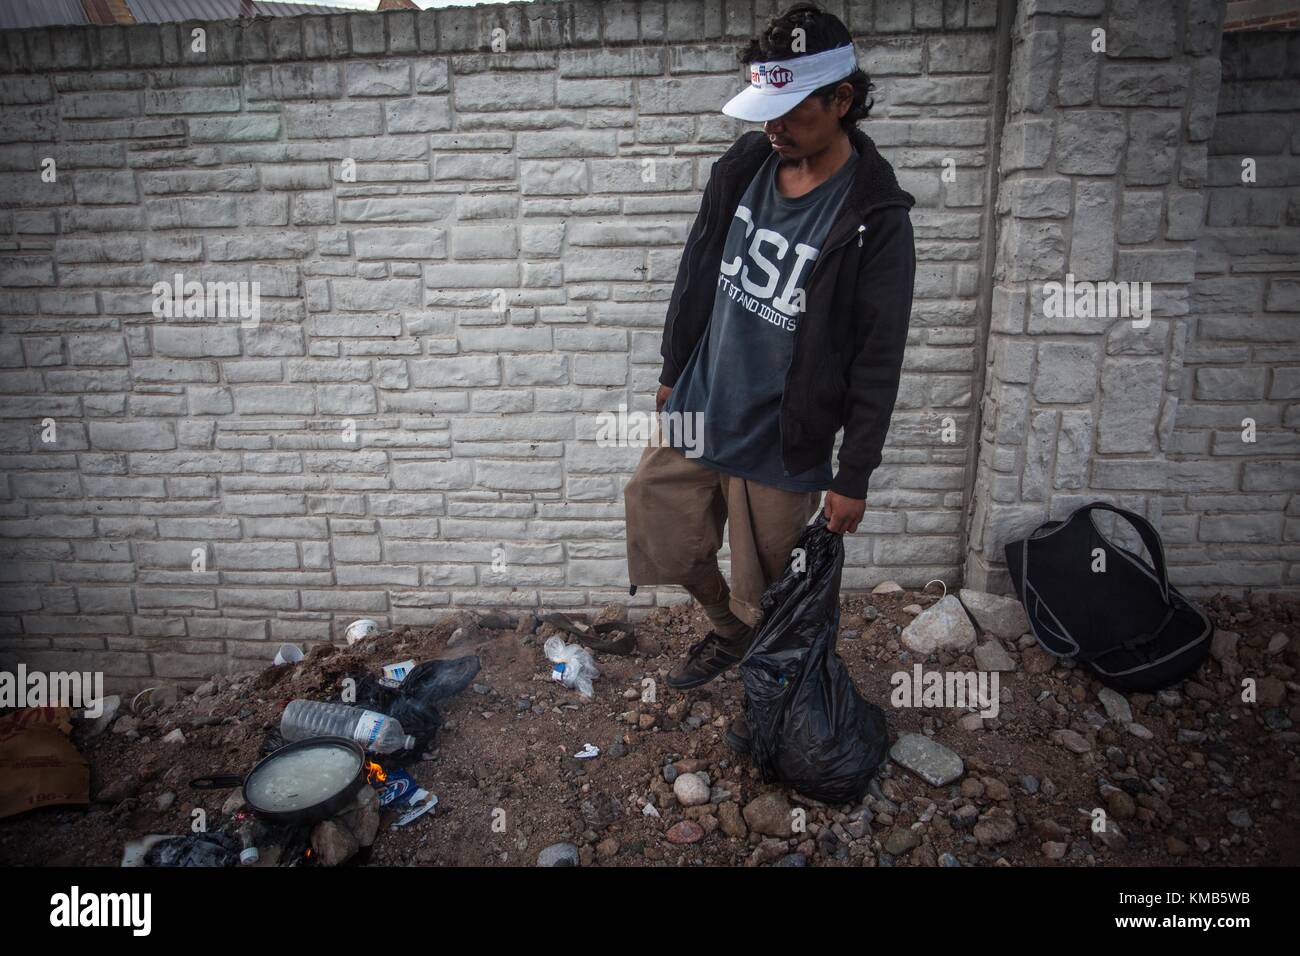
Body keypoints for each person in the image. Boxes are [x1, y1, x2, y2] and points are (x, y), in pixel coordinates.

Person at [622, 3, 916, 749]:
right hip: (700, 403)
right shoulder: (747, 164)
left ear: (840, 100)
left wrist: (856, 474)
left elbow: (880, 352)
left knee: (770, 589)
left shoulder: (874, 217)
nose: (774, 129)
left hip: (784, 438)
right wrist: (671, 365)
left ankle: (774, 695)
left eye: (789, 113)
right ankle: (726, 632)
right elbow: (697, 267)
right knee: (660, 525)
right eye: (766, 113)